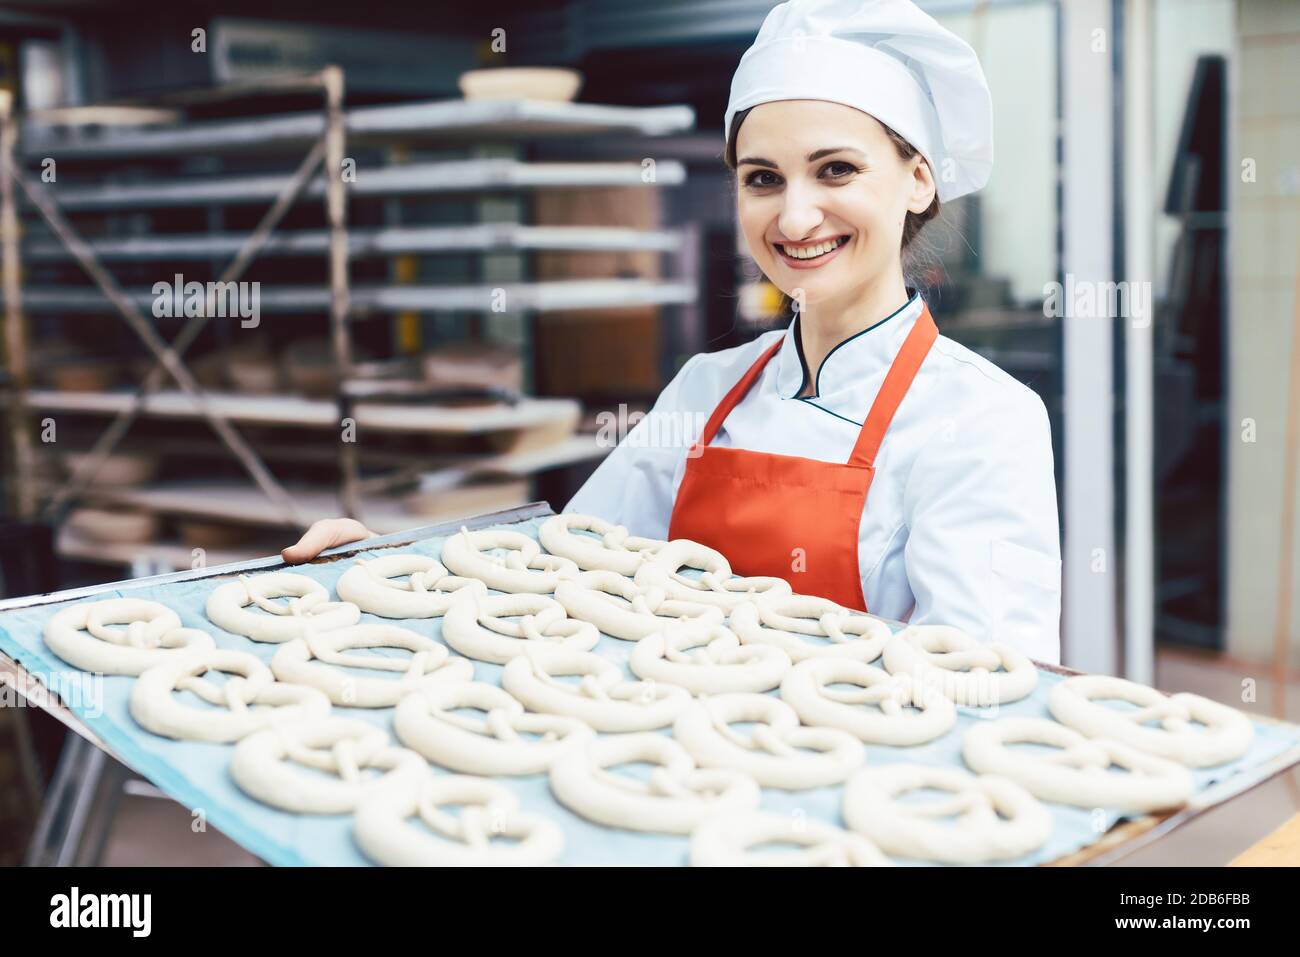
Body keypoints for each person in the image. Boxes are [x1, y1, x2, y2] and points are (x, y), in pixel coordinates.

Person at [283, 0, 1062, 663]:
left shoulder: (983, 421)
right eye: (762, 179)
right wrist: (391, 561)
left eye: (835, 170)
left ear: (919, 175)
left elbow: (981, 684)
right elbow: (571, 570)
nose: (794, 217)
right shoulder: (709, 388)